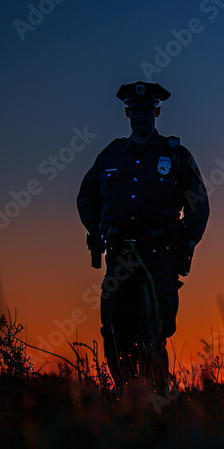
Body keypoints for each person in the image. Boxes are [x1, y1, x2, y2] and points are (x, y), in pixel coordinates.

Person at [77, 82, 210, 388]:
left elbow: (198, 203)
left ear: (157, 112)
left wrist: (187, 242)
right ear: (127, 113)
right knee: (114, 332)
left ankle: (160, 403)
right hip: (119, 258)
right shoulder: (110, 156)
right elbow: (86, 198)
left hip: (159, 258)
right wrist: (99, 230)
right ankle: (127, 402)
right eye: (135, 110)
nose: (140, 116)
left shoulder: (175, 156)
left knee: (153, 332)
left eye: (146, 110)